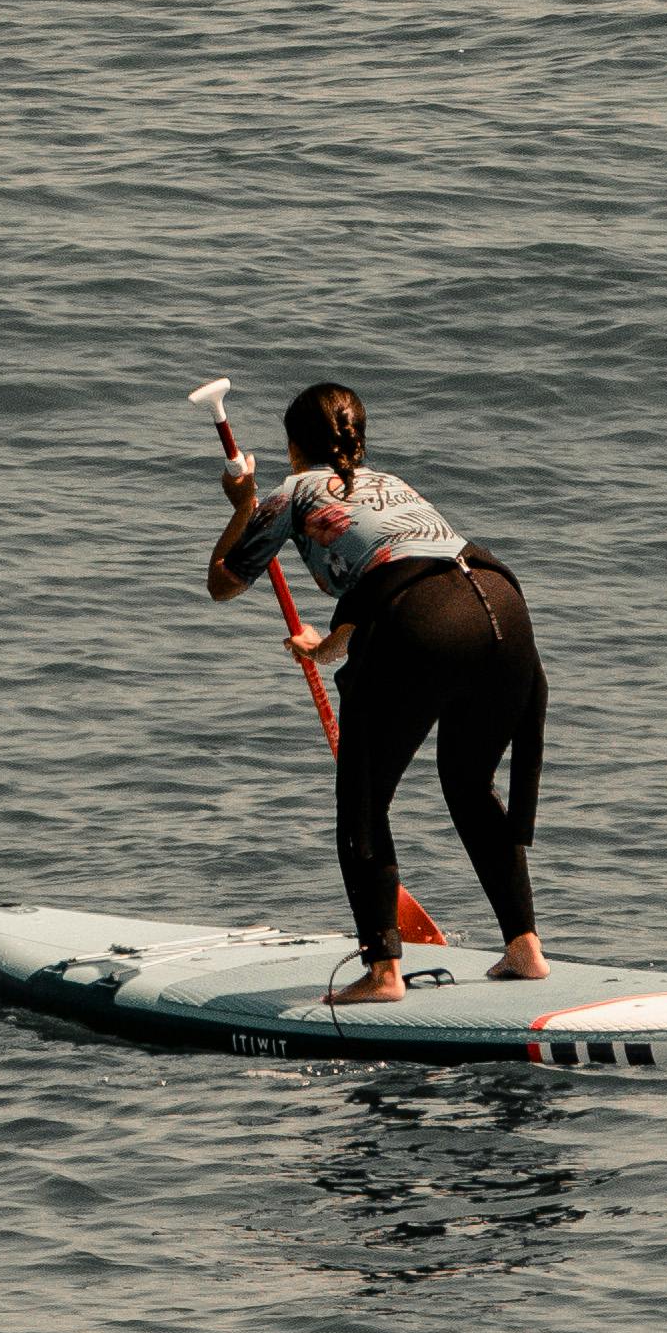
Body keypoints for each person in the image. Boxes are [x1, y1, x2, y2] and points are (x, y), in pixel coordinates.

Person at [206, 381, 548, 997]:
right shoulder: (393, 484)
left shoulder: (290, 492)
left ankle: (383, 971)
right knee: (470, 785)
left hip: (422, 620)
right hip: (502, 604)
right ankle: (524, 947)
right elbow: (402, 571)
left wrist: (241, 505)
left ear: (293, 447)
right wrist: (330, 645)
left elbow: (224, 583)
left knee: (362, 801)